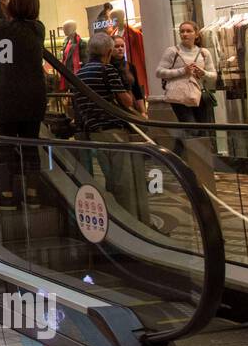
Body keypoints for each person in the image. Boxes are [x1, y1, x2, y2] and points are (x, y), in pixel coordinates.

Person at [0, 0, 47, 207]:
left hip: (6, 97)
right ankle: (33, 194)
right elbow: (19, 24)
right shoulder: (38, 29)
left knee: (5, 146)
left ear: (14, 7)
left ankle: (6, 194)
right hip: (34, 97)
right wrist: (9, 8)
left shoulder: (3, 28)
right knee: (30, 145)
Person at [73, 32, 142, 215]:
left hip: (94, 130)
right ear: (109, 51)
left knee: (110, 176)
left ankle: (115, 215)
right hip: (113, 130)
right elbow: (126, 101)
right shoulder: (108, 70)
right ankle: (128, 218)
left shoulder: (80, 73)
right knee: (122, 179)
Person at [157, 21, 217, 126]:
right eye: (182, 31)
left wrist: (203, 73)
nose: (185, 34)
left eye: (189, 31)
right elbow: (159, 72)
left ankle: (180, 142)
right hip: (179, 95)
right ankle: (182, 141)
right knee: (191, 129)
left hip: (199, 95)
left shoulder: (203, 52)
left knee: (204, 129)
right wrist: (183, 71)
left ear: (196, 34)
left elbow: (213, 76)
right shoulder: (172, 51)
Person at [112, 35, 147, 117]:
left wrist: (143, 111)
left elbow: (136, 89)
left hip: (132, 103)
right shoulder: (108, 66)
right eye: (116, 46)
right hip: (117, 106)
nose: (120, 49)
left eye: (122, 46)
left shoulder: (130, 66)